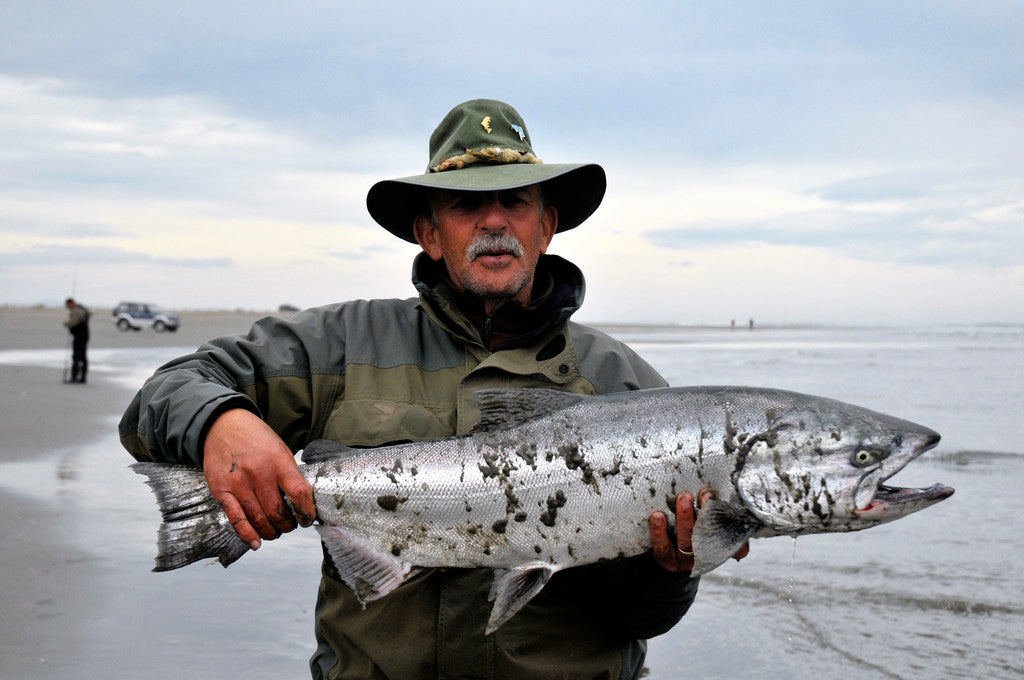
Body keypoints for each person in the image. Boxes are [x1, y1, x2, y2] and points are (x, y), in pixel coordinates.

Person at [120, 99, 745, 679]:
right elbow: (164, 393)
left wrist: (671, 569)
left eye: (516, 202)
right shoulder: (339, 341)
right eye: (467, 205)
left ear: (547, 226)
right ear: (430, 233)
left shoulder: (624, 383)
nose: (494, 220)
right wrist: (221, 421)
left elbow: (644, 621)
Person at [63, 297, 90, 383]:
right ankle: (82, 377)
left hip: (79, 336)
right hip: (84, 336)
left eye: (68, 306)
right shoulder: (82, 309)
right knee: (83, 356)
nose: (68, 308)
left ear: (71, 303)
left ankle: (75, 377)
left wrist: (67, 324)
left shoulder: (76, 310)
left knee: (76, 356)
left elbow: (74, 322)